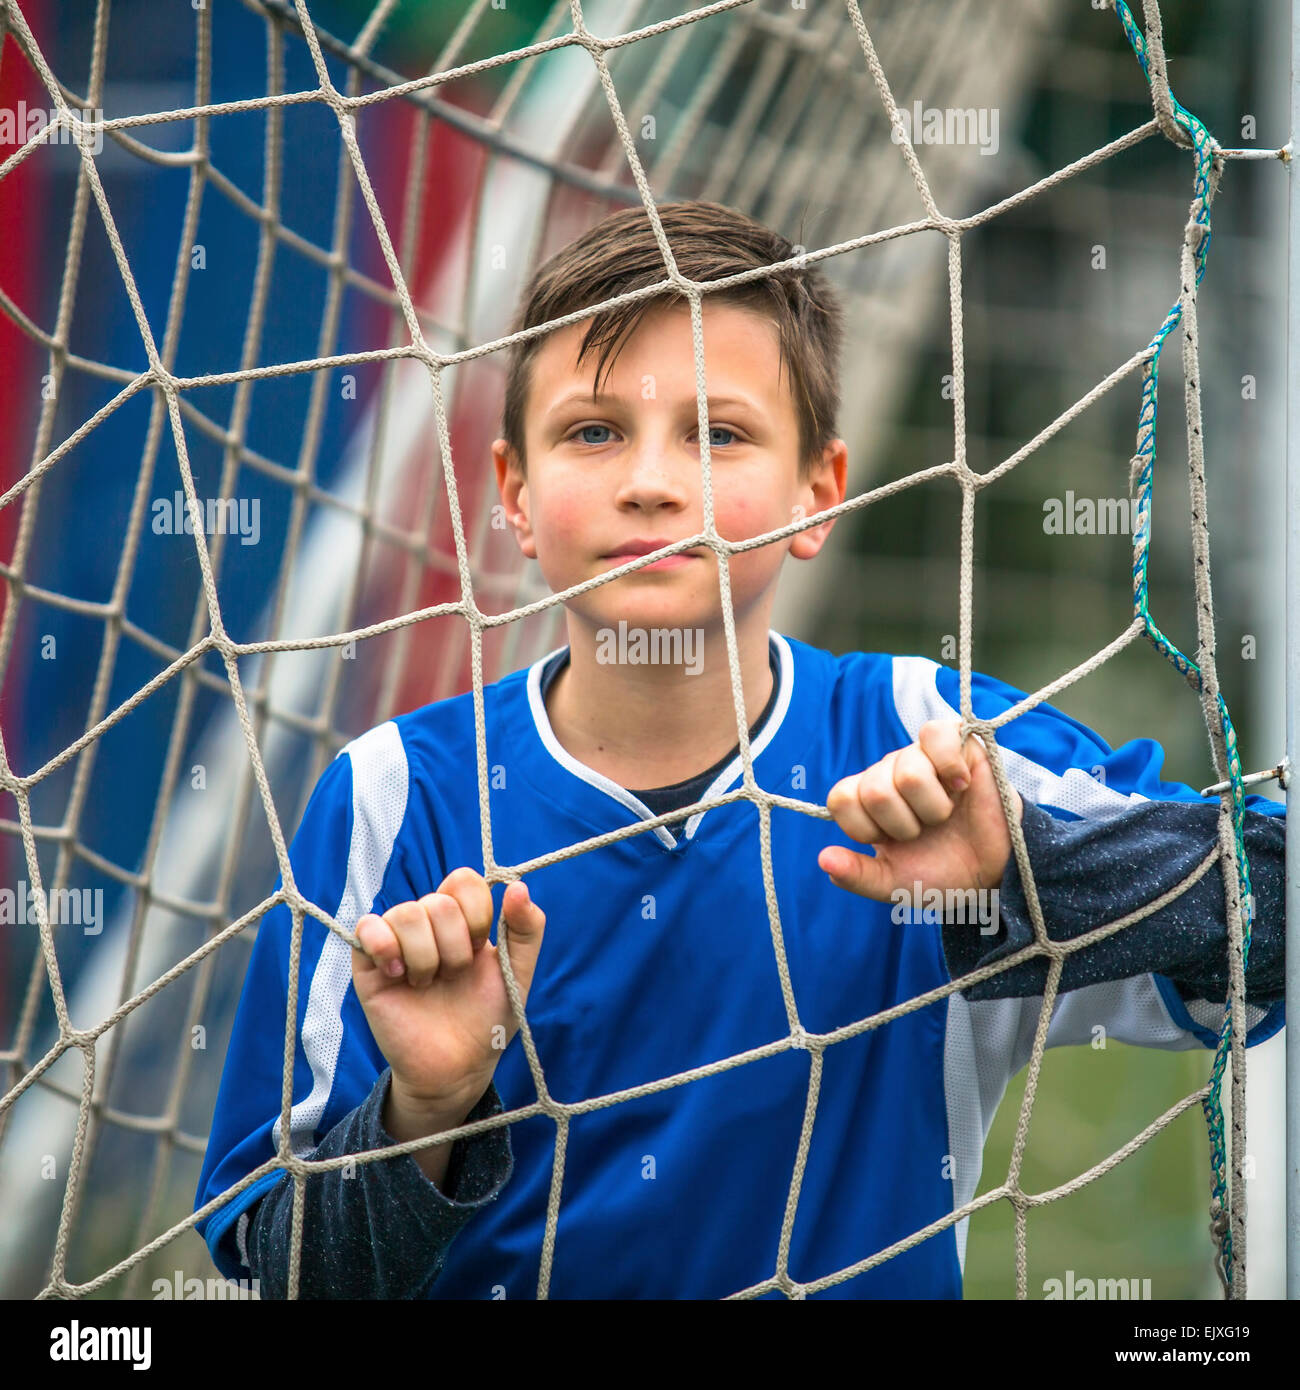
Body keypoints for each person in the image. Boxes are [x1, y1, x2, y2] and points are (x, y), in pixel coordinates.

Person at [194, 200, 1286, 1300]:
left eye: (717, 433)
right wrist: (421, 1113)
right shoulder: (399, 794)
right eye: (593, 430)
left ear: (819, 490)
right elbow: (283, 1273)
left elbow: (1271, 920)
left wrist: (1031, 870)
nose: (652, 481)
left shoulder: (933, 745)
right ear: (515, 495)